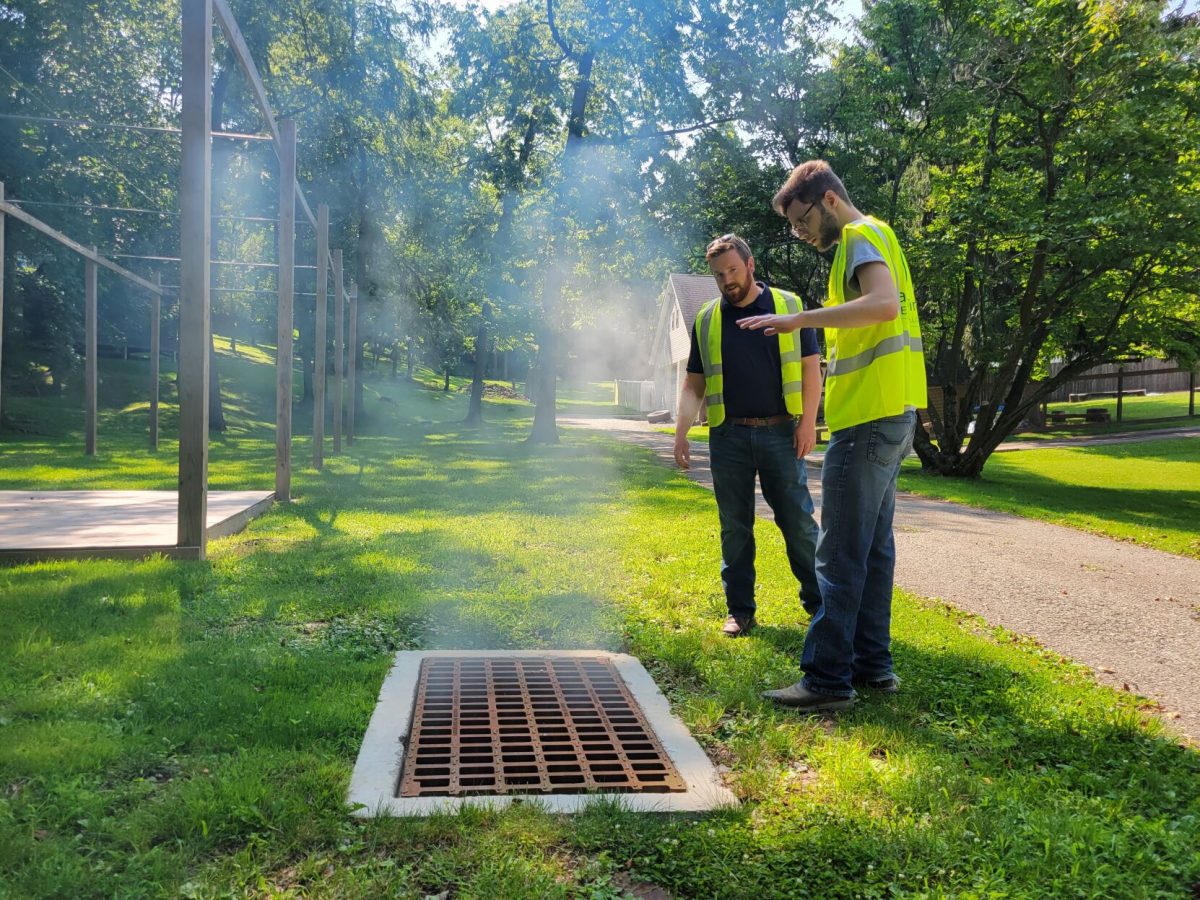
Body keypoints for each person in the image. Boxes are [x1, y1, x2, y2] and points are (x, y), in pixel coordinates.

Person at [740, 161, 927, 711]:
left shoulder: (860, 236)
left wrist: (800, 322)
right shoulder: (882, 233)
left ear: (826, 199)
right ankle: (873, 666)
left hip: (869, 420)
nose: (800, 233)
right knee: (873, 549)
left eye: (801, 221)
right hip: (893, 413)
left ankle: (826, 679)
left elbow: (883, 305)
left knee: (839, 552)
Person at [674, 233, 822, 637]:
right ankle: (740, 611)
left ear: (750, 264)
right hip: (729, 438)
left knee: (798, 523)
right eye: (719, 274)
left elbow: (812, 368)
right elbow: (694, 383)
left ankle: (821, 606)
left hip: (782, 433)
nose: (727, 280)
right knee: (735, 527)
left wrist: (808, 422)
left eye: (733, 270)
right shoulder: (706, 319)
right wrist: (681, 432)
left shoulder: (789, 307)